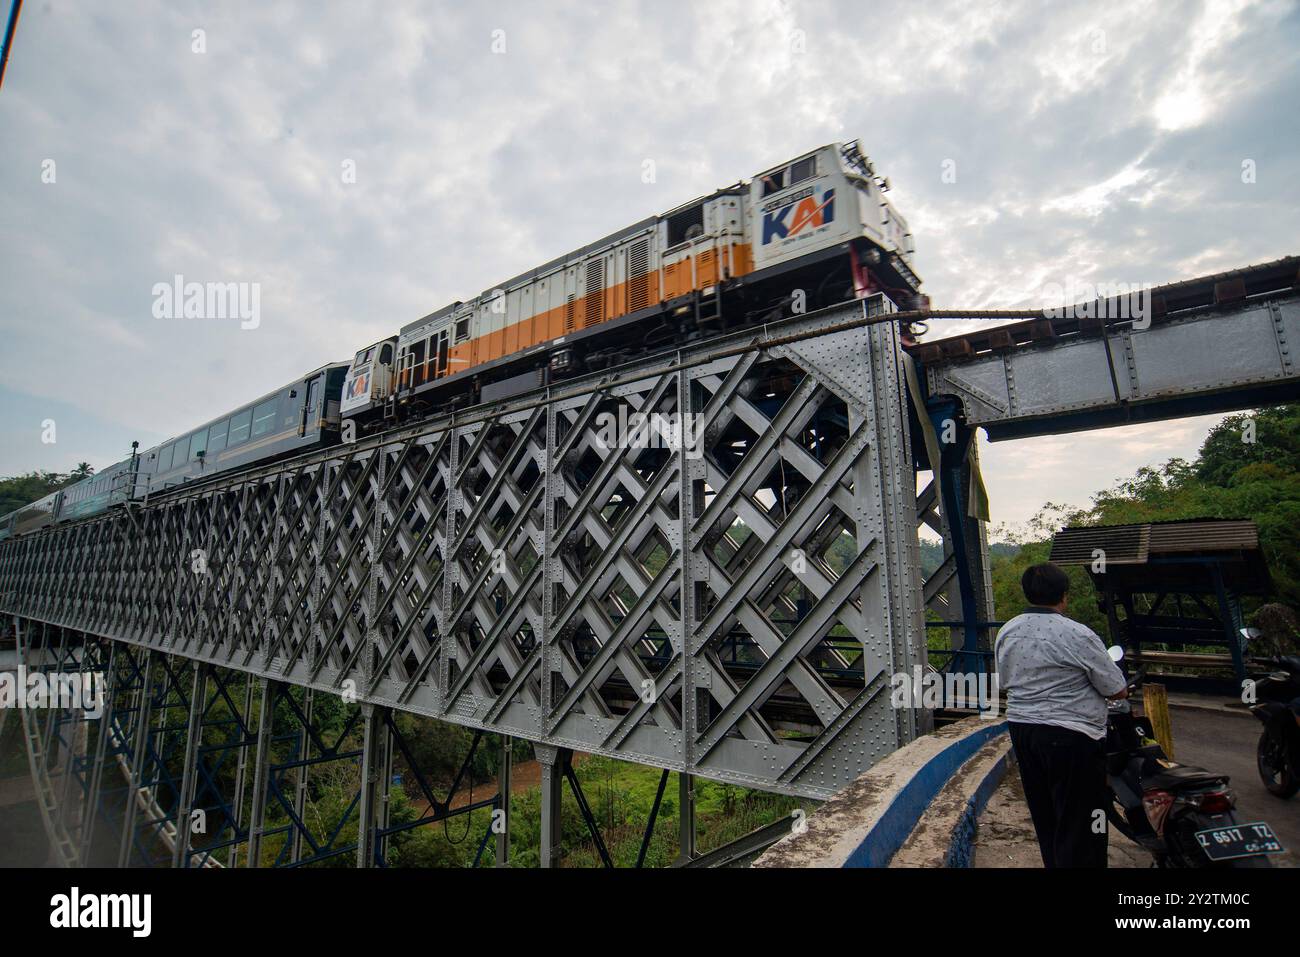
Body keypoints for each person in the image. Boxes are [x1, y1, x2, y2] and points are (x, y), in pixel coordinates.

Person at [994, 562, 1128, 868]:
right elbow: (1115, 688)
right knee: (1081, 819)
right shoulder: (1078, 634)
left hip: (1023, 730)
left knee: (1046, 814)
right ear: (1064, 596)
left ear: (1027, 593)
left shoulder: (1008, 631)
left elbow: (1003, 681)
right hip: (1071, 734)